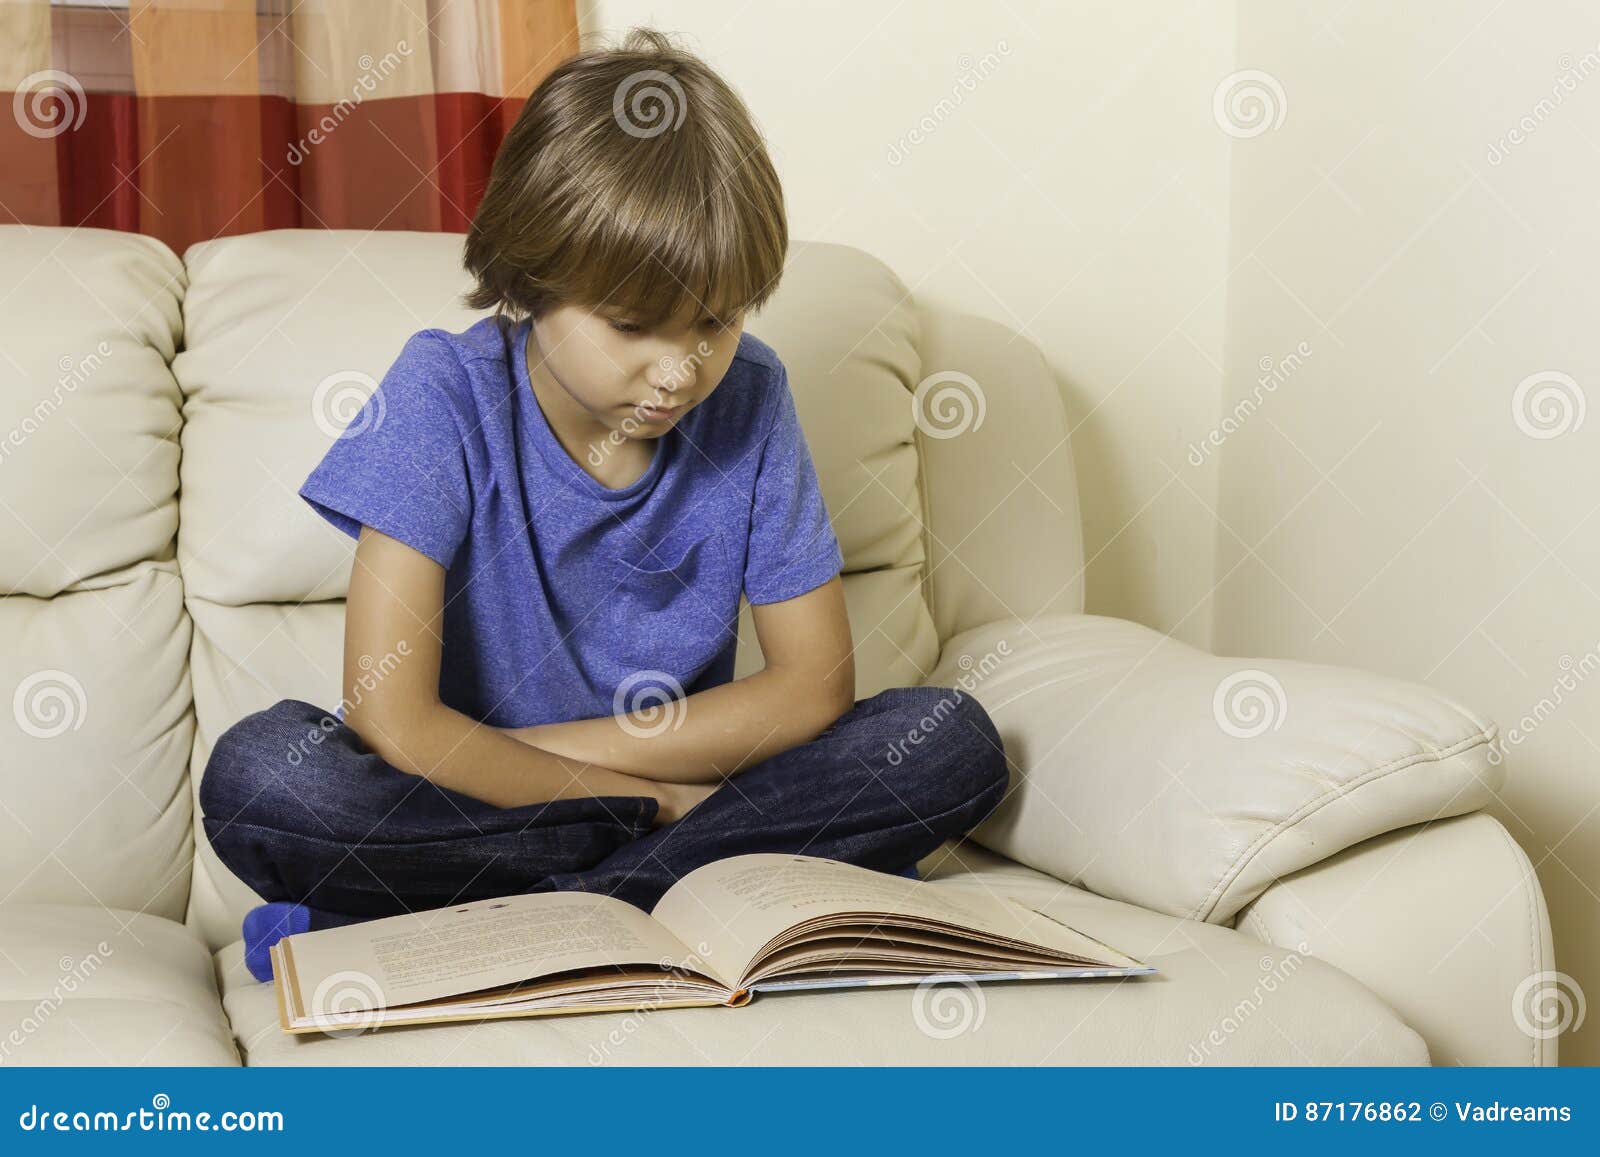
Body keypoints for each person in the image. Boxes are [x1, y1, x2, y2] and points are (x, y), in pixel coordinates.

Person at [199, 28, 1009, 984]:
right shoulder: (442, 394)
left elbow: (811, 687)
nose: (678, 371)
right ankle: (666, 884)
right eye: (632, 327)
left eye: (715, 321)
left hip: (637, 787)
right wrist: (655, 802)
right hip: (486, 799)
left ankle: (478, 912)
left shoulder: (751, 396)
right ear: (529, 280)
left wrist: (600, 780)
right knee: (269, 780)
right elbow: (396, 718)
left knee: (948, 741)